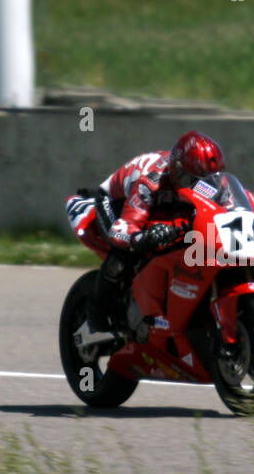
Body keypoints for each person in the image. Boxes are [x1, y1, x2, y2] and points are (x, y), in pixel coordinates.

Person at [76, 130, 226, 334]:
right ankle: (96, 316)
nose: (204, 188)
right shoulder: (151, 182)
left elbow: (229, 212)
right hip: (116, 202)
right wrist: (143, 237)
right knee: (124, 254)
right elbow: (124, 229)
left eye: (208, 182)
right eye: (195, 182)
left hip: (165, 203)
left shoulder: (213, 181)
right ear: (178, 172)